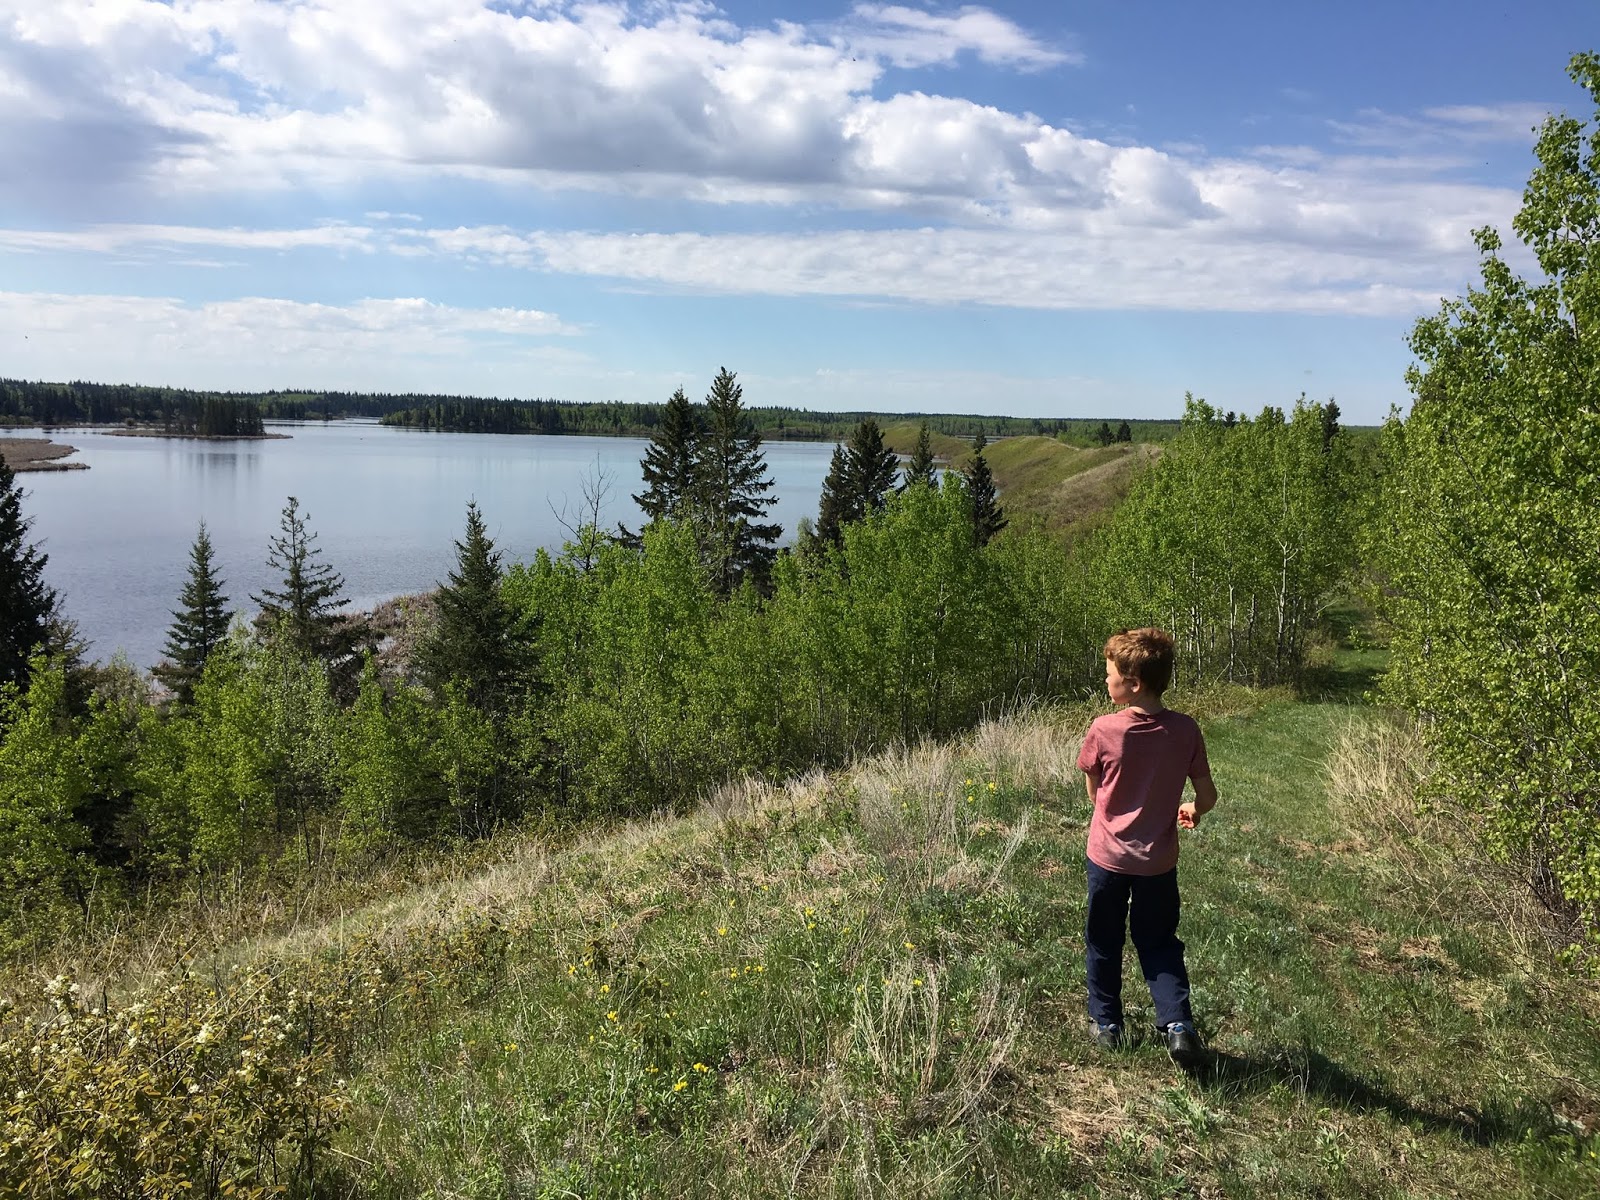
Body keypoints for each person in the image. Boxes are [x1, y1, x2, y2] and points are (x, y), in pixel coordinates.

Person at [1076, 627, 1217, 1068]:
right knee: (1158, 940)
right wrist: (1193, 808)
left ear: (1132, 683)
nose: (1105, 681)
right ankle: (1178, 1025)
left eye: (1109, 674)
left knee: (1104, 938)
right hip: (1158, 862)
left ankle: (1107, 1023)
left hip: (1108, 858)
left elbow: (1094, 793)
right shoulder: (1186, 730)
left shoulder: (1104, 730)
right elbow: (1208, 794)